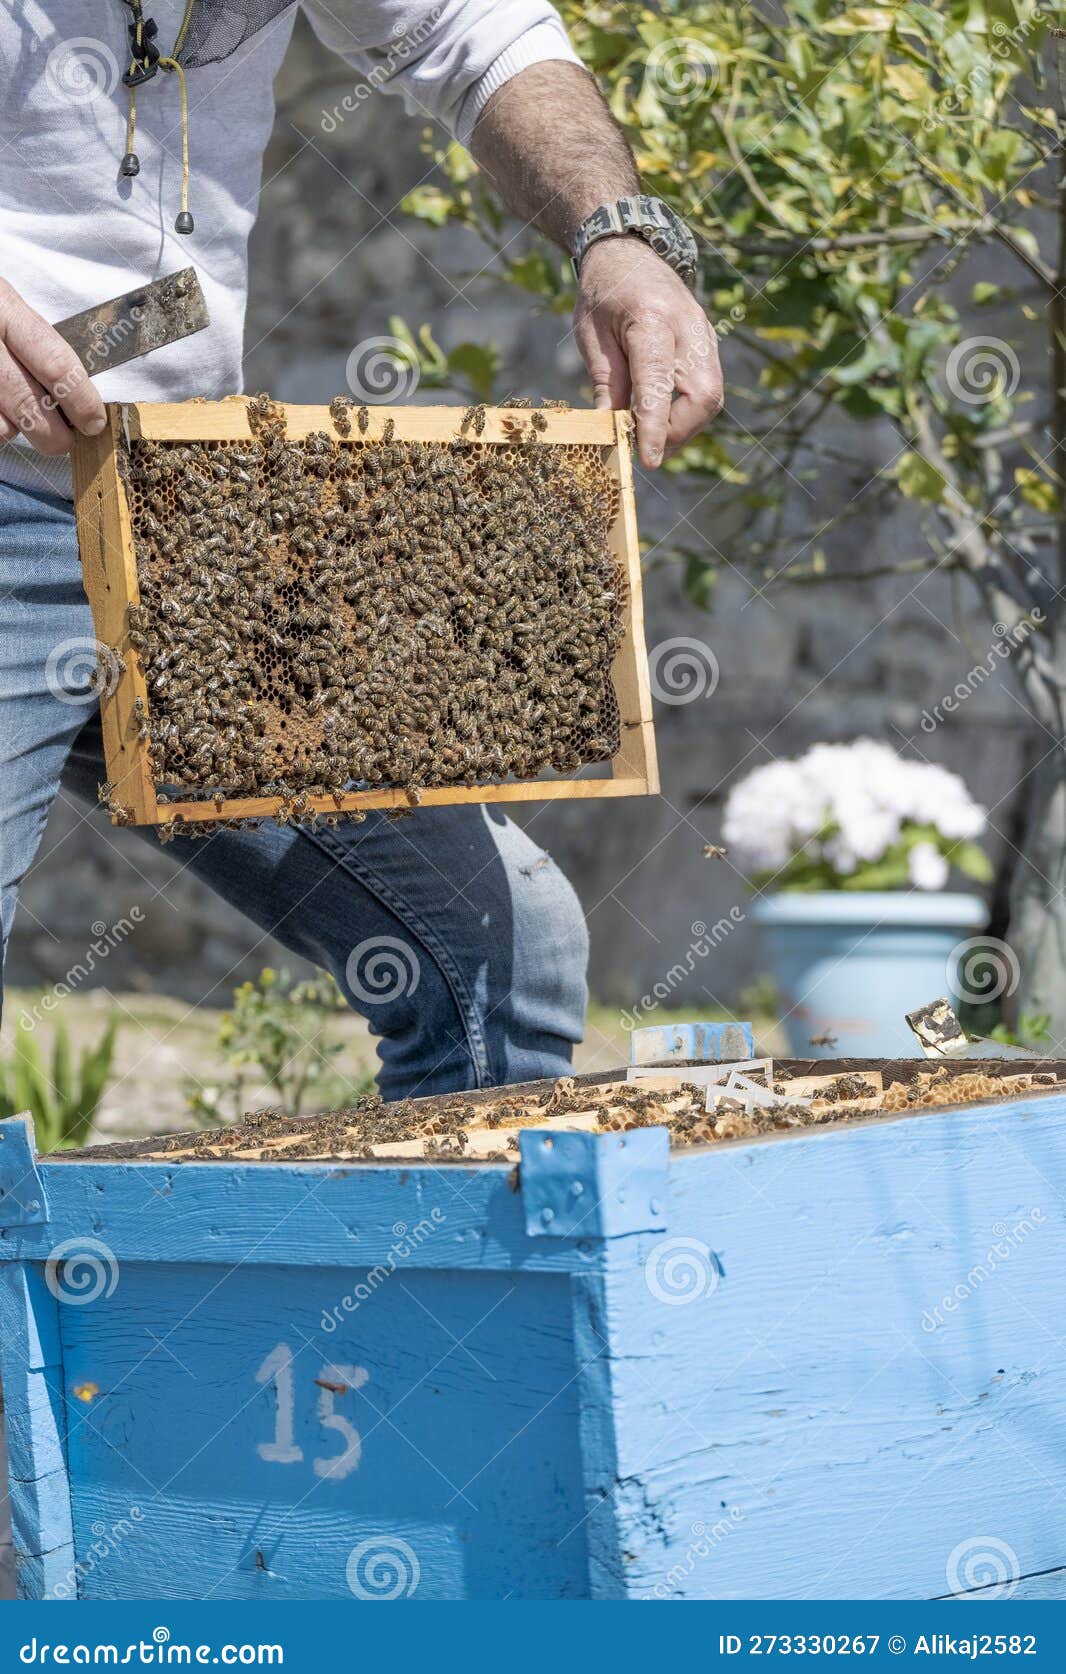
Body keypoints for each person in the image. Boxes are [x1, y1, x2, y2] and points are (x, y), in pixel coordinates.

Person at [0, 1, 723, 1100]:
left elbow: (472, 33)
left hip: (179, 510)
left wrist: (618, 233)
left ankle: (455, 1217)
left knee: (496, 950)